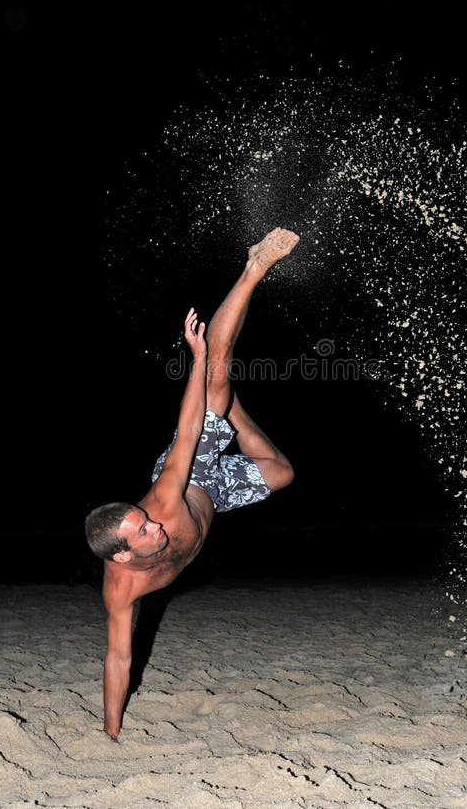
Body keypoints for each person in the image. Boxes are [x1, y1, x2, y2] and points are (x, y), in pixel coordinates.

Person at [85, 227, 299, 740]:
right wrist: (111, 732)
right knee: (283, 472)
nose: (154, 526)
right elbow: (118, 657)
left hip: (191, 472)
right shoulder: (121, 590)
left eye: (144, 520)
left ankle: (255, 265)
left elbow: (184, 436)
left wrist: (199, 364)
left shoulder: (163, 499)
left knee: (217, 373)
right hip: (216, 497)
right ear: (121, 556)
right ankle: (232, 410)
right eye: (143, 532)